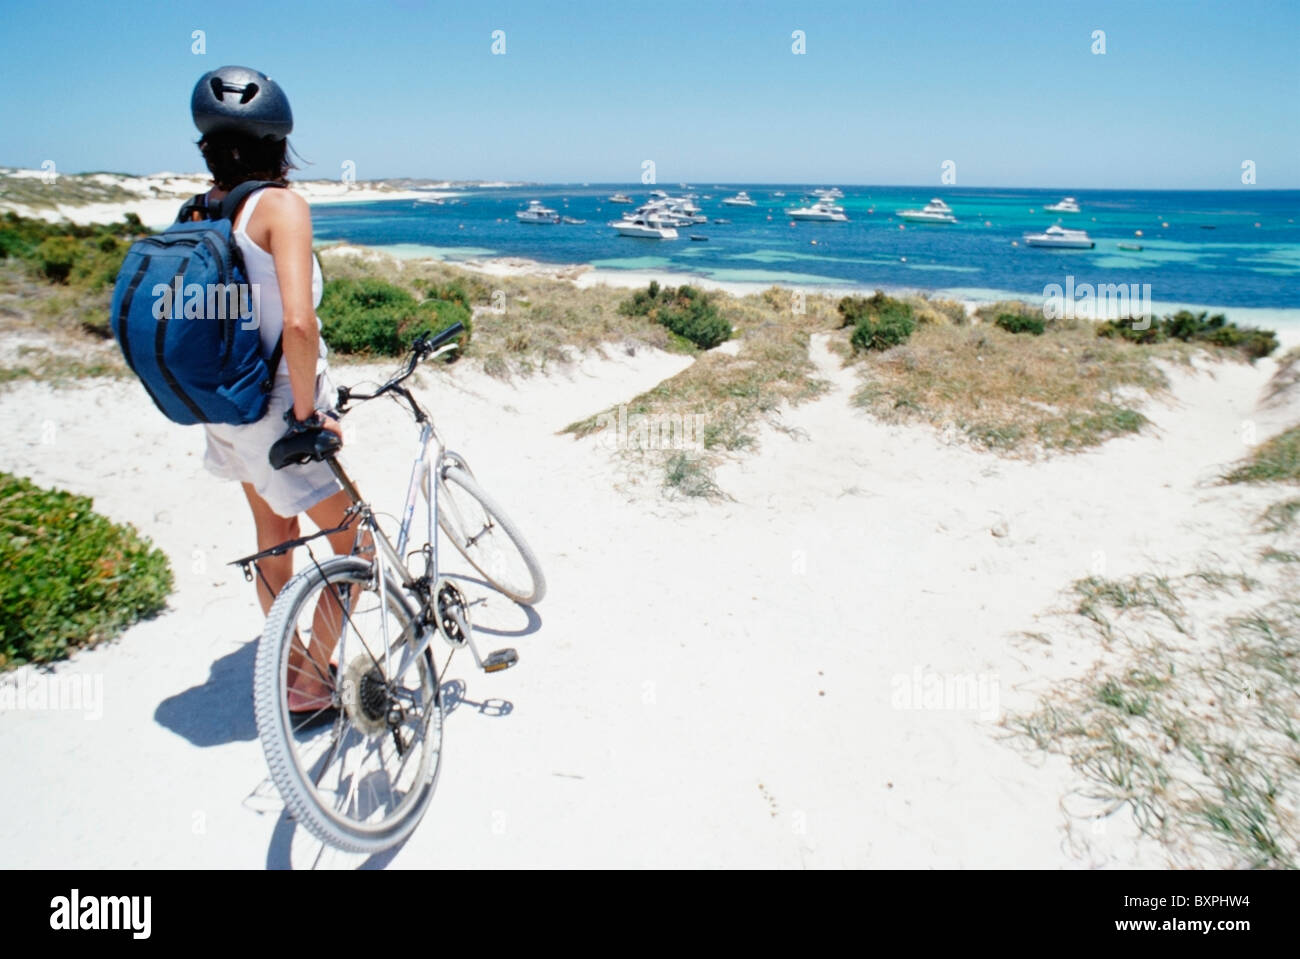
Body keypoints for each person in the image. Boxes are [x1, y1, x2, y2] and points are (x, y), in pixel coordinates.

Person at [187, 66, 352, 715]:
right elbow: (297, 323)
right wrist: (309, 417)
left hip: (226, 403)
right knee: (355, 544)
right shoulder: (280, 207)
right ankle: (312, 681)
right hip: (280, 405)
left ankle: (286, 665)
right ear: (281, 145)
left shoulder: (203, 208)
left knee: (276, 536)